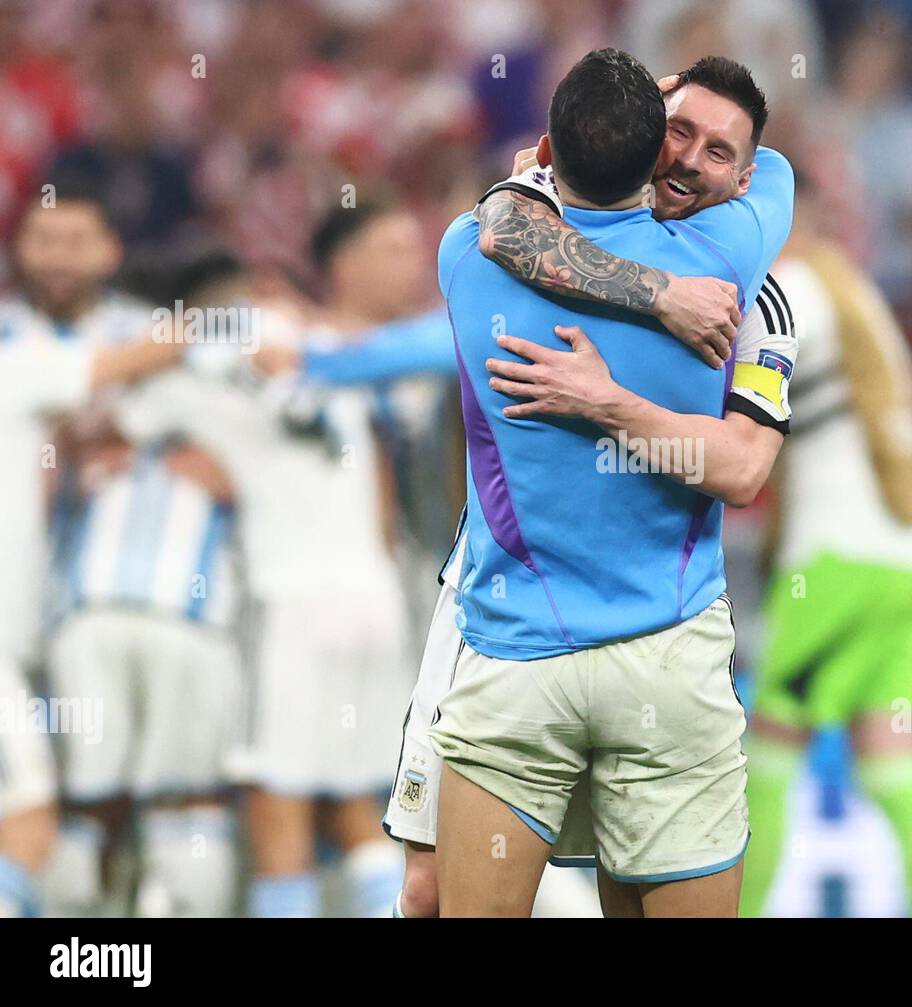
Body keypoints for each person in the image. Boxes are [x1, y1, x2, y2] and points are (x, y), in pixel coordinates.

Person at [430, 48, 793, 917]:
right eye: (679, 136)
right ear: (652, 153)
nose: (693, 159)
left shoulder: (467, 254)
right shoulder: (730, 264)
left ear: (548, 150)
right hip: (667, 658)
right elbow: (772, 168)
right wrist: (661, 292)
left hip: (516, 657)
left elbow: (504, 212)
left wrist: (609, 127)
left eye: (715, 150)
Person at [113, 220, 418, 917]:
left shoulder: (190, 369)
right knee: (355, 804)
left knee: (276, 808)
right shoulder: (327, 346)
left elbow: (110, 422)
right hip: (373, 600)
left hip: (288, 605)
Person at [737, 182, 912, 918]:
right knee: (893, 769)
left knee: (766, 758)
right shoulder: (854, 290)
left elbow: (727, 383)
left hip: (839, 561)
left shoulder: (792, 289)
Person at [0, 186, 181, 917]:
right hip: (17, 640)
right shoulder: (17, 356)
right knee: (35, 811)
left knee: (72, 803)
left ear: (110, 249)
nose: (58, 257)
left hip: (60, 619)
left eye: (77, 238)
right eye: (44, 238)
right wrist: (222, 313)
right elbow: (144, 356)